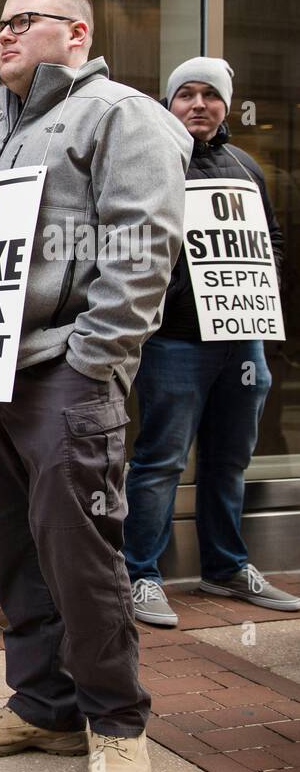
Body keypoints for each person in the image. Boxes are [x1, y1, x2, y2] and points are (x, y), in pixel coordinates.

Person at [0, 0, 191, 772]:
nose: (4, 34)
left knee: (80, 552)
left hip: (63, 371)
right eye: (0, 22)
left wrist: (94, 360)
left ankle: (115, 719)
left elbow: (143, 243)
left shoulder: (122, 114)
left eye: (24, 21)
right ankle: (44, 705)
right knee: (10, 545)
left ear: (76, 32)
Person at [124, 57, 297, 626]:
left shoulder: (246, 165)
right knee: (160, 461)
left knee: (230, 459)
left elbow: (268, 236)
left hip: (243, 339)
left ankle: (225, 568)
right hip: (174, 341)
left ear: (225, 104)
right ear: (168, 103)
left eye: (209, 95)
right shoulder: (153, 160)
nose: (198, 104)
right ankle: (141, 575)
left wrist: (260, 291)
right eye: (186, 95)